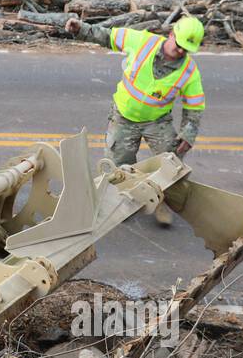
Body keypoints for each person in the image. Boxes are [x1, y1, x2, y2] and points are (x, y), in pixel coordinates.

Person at [63, 14, 207, 223]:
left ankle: (161, 201)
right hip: (124, 116)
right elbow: (106, 36)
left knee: (171, 162)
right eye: (179, 45)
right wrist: (79, 29)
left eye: (187, 49)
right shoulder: (143, 42)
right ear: (171, 34)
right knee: (119, 166)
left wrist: (188, 134)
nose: (181, 52)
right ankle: (124, 202)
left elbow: (194, 106)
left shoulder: (189, 71)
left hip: (157, 121)